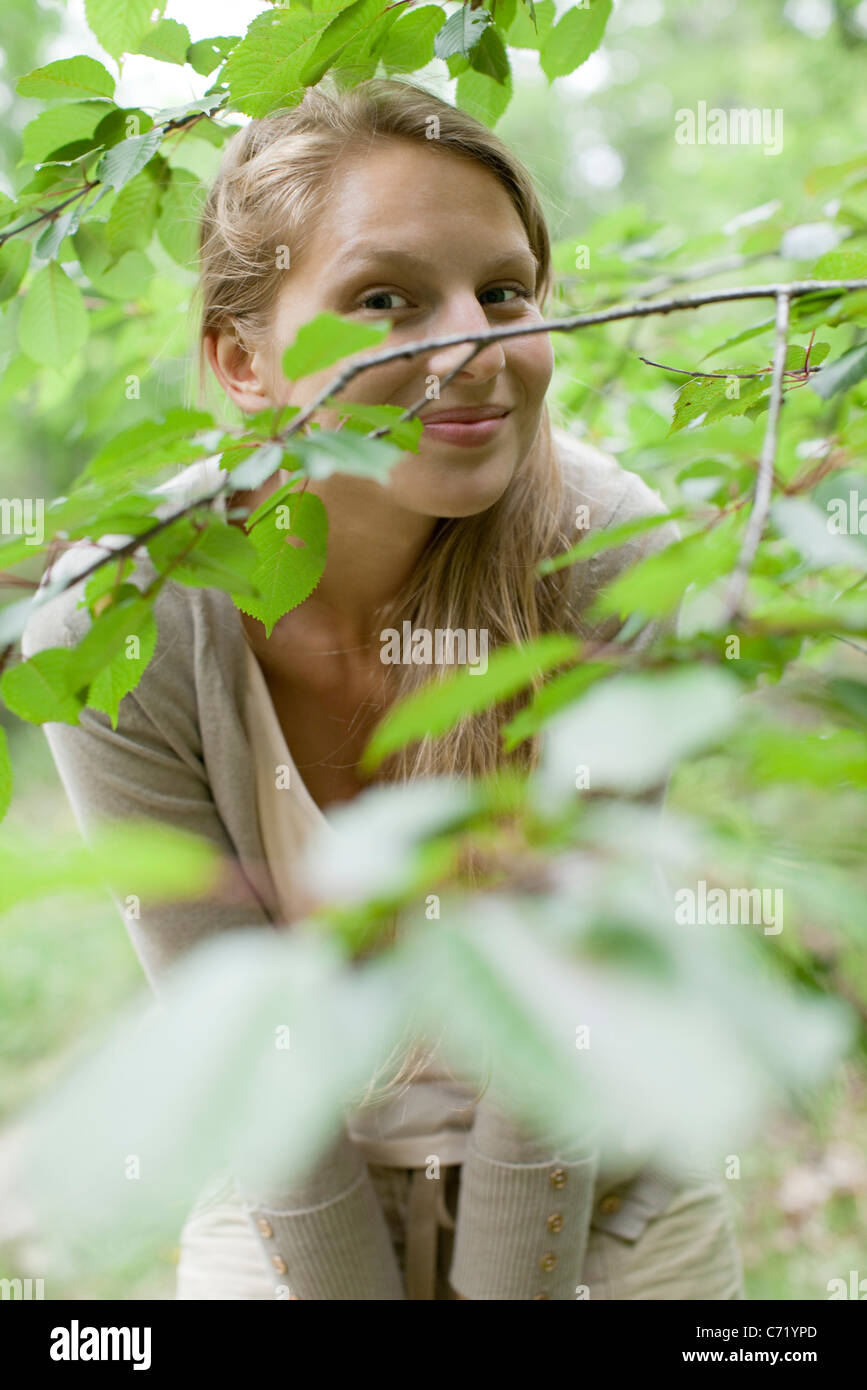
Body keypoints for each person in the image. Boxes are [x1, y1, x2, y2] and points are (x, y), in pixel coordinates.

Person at [22, 77, 744, 1301]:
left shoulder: (608, 549)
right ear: (242, 360)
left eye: (503, 291)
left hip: (609, 1193)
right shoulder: (118, 621)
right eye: (385, 299)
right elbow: (251, 1062)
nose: (471, 346)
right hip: (293, 1191)